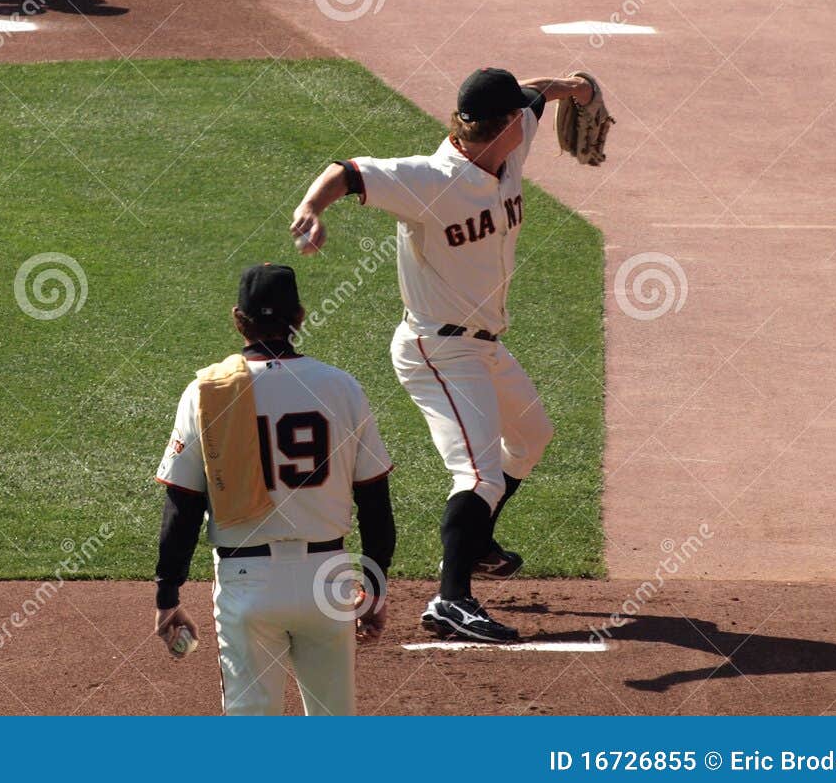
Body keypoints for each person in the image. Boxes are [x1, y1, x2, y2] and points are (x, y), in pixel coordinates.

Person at [289, 68, 594, 643]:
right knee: (478, 475)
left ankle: (476, 545)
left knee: (531, 437)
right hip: (439, 349)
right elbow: (348, 171)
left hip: (485, 346)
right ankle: (451, 601)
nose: (526, 125)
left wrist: (572, 86)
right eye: (516, 120)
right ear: (501, 126)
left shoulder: (509, 137)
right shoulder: (430, 178)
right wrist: (312, 208)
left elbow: (537, 92)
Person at [153, 264, 396, 716]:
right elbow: (375, 500)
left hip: (249, 585)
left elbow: (182, 505)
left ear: (237, 319)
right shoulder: (342, 388)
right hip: (328, 581)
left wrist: (168, 596)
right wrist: (375, 587)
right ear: (300, 317)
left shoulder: (206, 392)